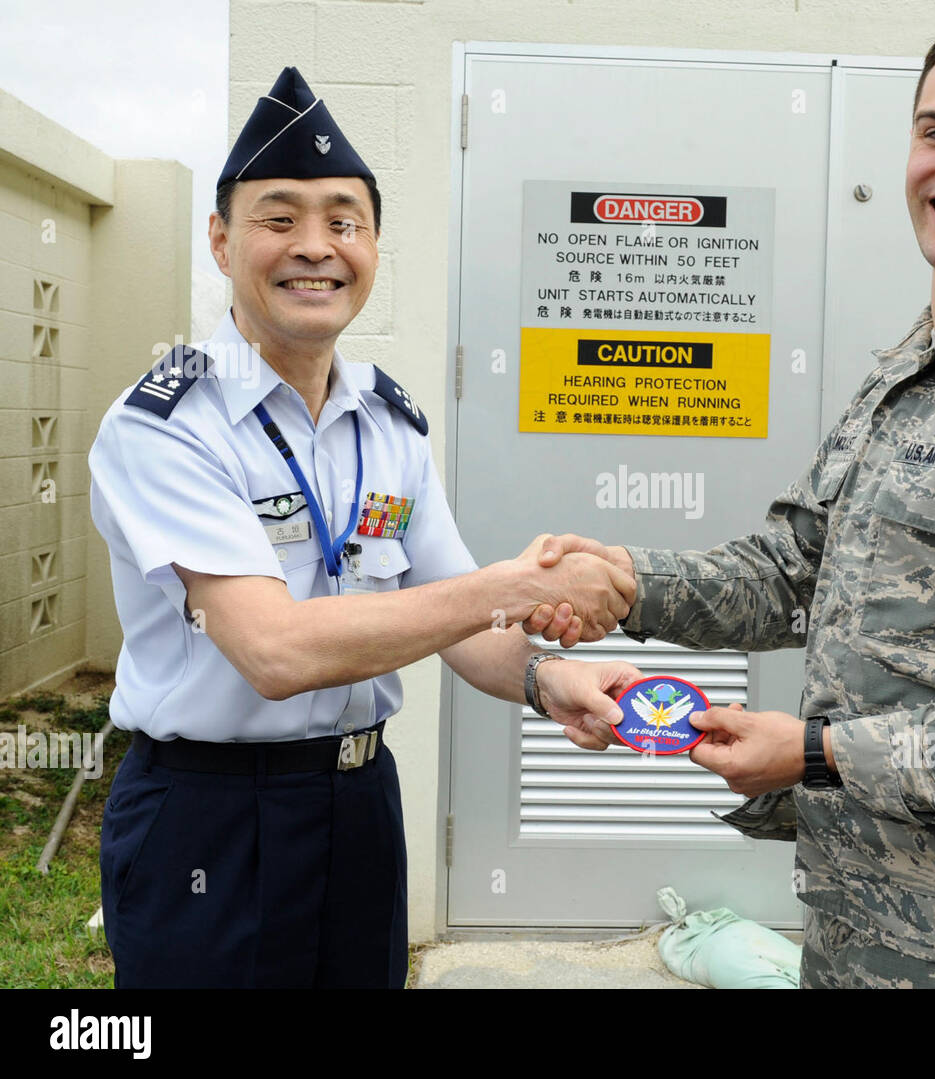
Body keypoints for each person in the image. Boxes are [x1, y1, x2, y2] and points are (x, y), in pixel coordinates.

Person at [531, 21, 935, 988]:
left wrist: (822, 752)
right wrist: (625, 581)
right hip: (850, 922)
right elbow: (789, 572)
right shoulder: (908, 379)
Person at [89, 67, 638, 989]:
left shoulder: (389, 424)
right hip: (208, 820)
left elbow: (460, 623)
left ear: (374, 244)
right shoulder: (164, 426)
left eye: (344, 220)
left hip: (358, 807)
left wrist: (553, 679)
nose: (317, 246)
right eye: (279, 218)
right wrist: (523, 582)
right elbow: (274, 652)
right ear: (221, 241)